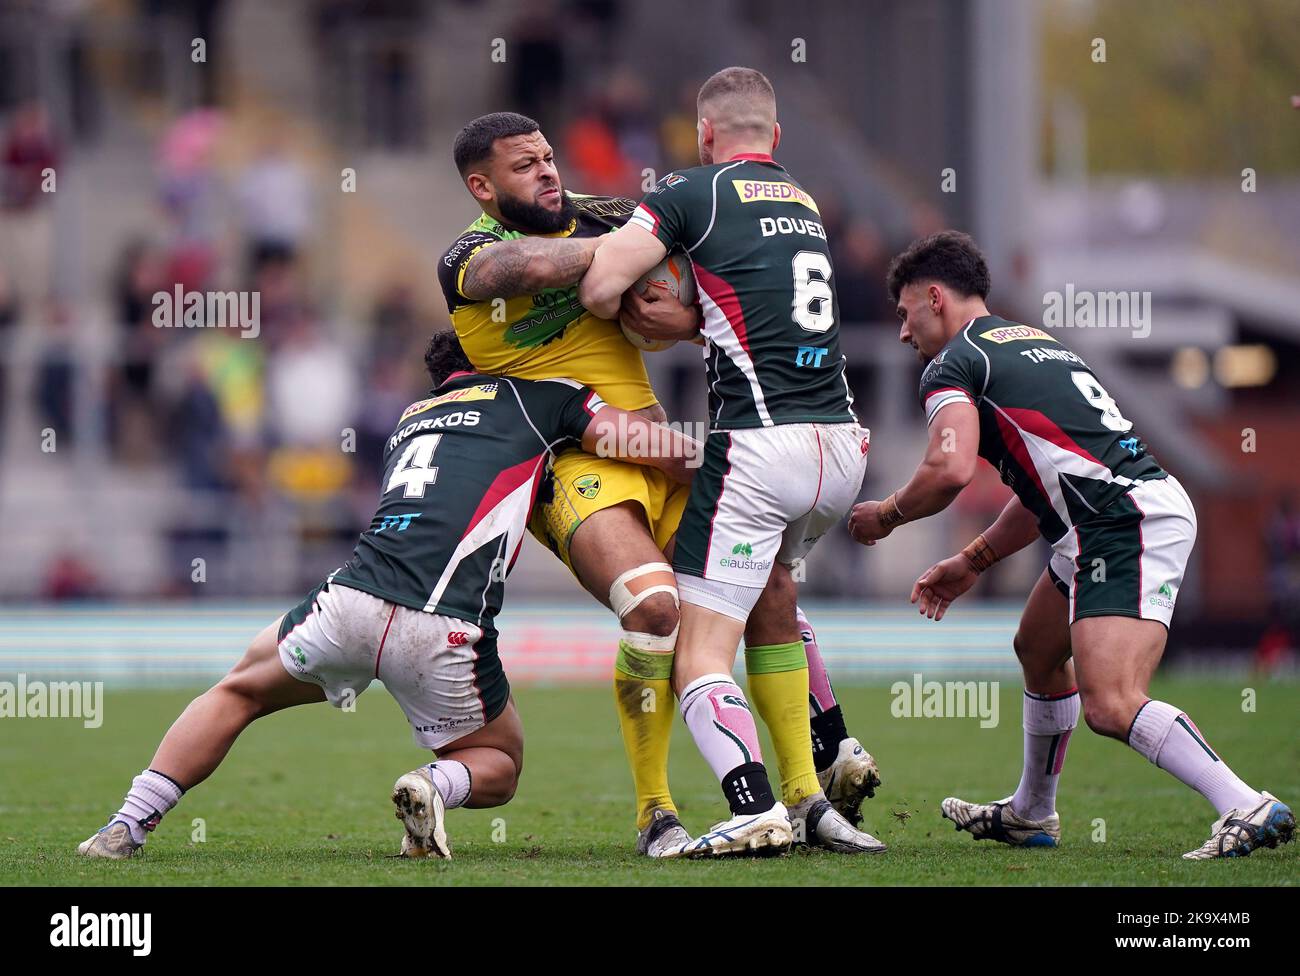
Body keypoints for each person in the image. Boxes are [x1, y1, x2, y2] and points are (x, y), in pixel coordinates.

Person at [439, 111, 883, 856]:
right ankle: (655, 811)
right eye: (525, 166)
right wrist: (630, 251)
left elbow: (718, 248)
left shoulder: (608, 216)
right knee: (655, 608)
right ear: (482, 187)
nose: (548, 170)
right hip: (570, 461)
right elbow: (520, 272)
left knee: (773, 593)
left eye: (549, 156)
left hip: (658, 445)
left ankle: (807, 797)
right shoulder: (470, 252)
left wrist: (684, 310)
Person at [78, 332, 694, 860]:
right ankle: (434, 782)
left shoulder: (410, 418)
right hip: (446, 625)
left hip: (352, 601)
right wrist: (732, 477)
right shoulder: (539, 396)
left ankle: (124, 826)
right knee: (500, 764)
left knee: (237, 692)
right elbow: (652, 447)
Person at [848, 230, 1294, 860]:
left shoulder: (952, 363)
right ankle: (1032, 813)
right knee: (1037, 646)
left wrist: (886, 515)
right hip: (1106, 519)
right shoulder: (1033, 342)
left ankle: (1244, 804)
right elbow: (1049, 488)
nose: (902, 332)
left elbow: (947, 471)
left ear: (933, 296)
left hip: (1120, 522)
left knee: (1111, 703)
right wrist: (974, 559)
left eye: (904, 314)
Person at [580, 67, 882, 857]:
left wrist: (655, 310)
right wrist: (703, 319)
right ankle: (816, 791)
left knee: (698, 650)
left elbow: (603, 285)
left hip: (760, 446)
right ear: (775, 138)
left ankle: (753, 808)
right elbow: (761, 312)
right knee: (770, 601)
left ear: (704, 134)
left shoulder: (693, 192)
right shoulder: (805, 202)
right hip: (843, 449)